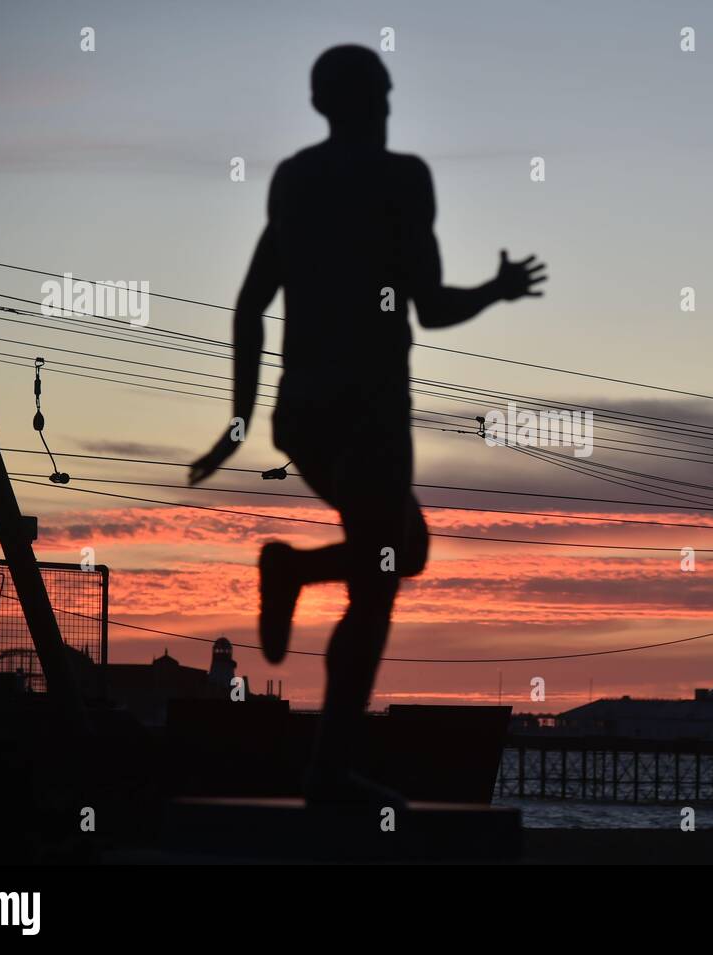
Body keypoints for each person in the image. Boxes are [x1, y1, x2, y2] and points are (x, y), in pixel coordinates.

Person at [189, 45, 546, 806]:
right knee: (386, 570)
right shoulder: (400, 179)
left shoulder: (295, 180)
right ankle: (327, 768)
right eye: (381, 98)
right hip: (372, 410)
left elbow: (253, 302)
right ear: (361, 104)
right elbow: (433, 307)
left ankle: (294, 581)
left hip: (303, 412)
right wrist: (498, 288)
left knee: (398, 551)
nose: (387, 111)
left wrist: (239, 421)